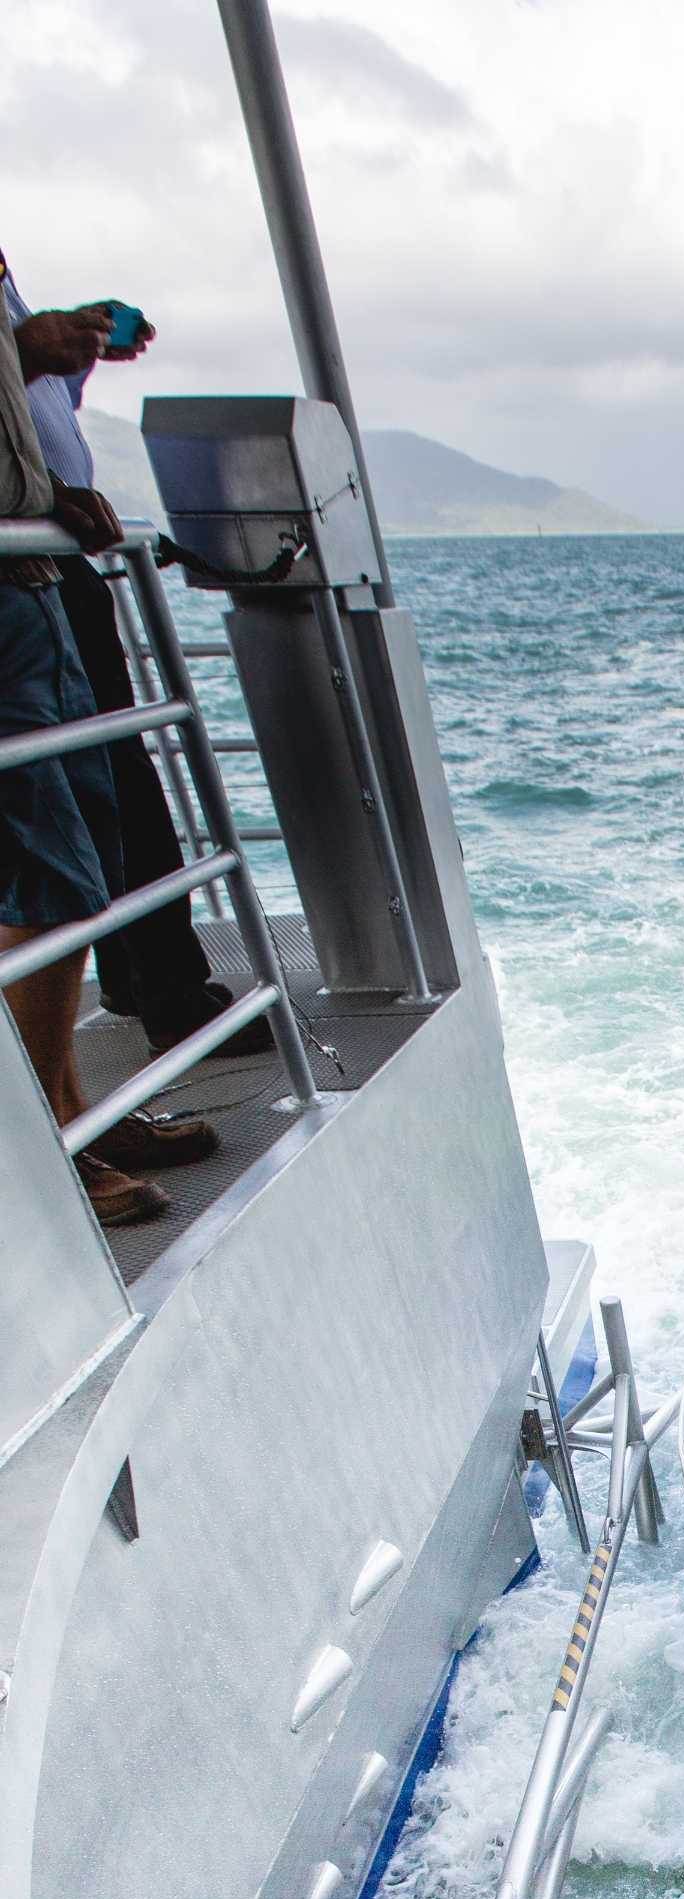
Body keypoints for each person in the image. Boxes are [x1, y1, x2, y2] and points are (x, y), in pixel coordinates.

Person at [5, 262, 255, 1061]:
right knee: (86, 809)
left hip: (48, 560)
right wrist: (29, 349)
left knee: (95, 804)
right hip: (26, 570)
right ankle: (164, 997)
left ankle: (133, 986)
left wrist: (57, 361)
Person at [0, 258, 186, 1227]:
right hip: (7, 588)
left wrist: (54, 375)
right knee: (50, 875)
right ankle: (43, 1158)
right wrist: (25, 347)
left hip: (33, 582)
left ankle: (72, 1109)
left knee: (88, 855)